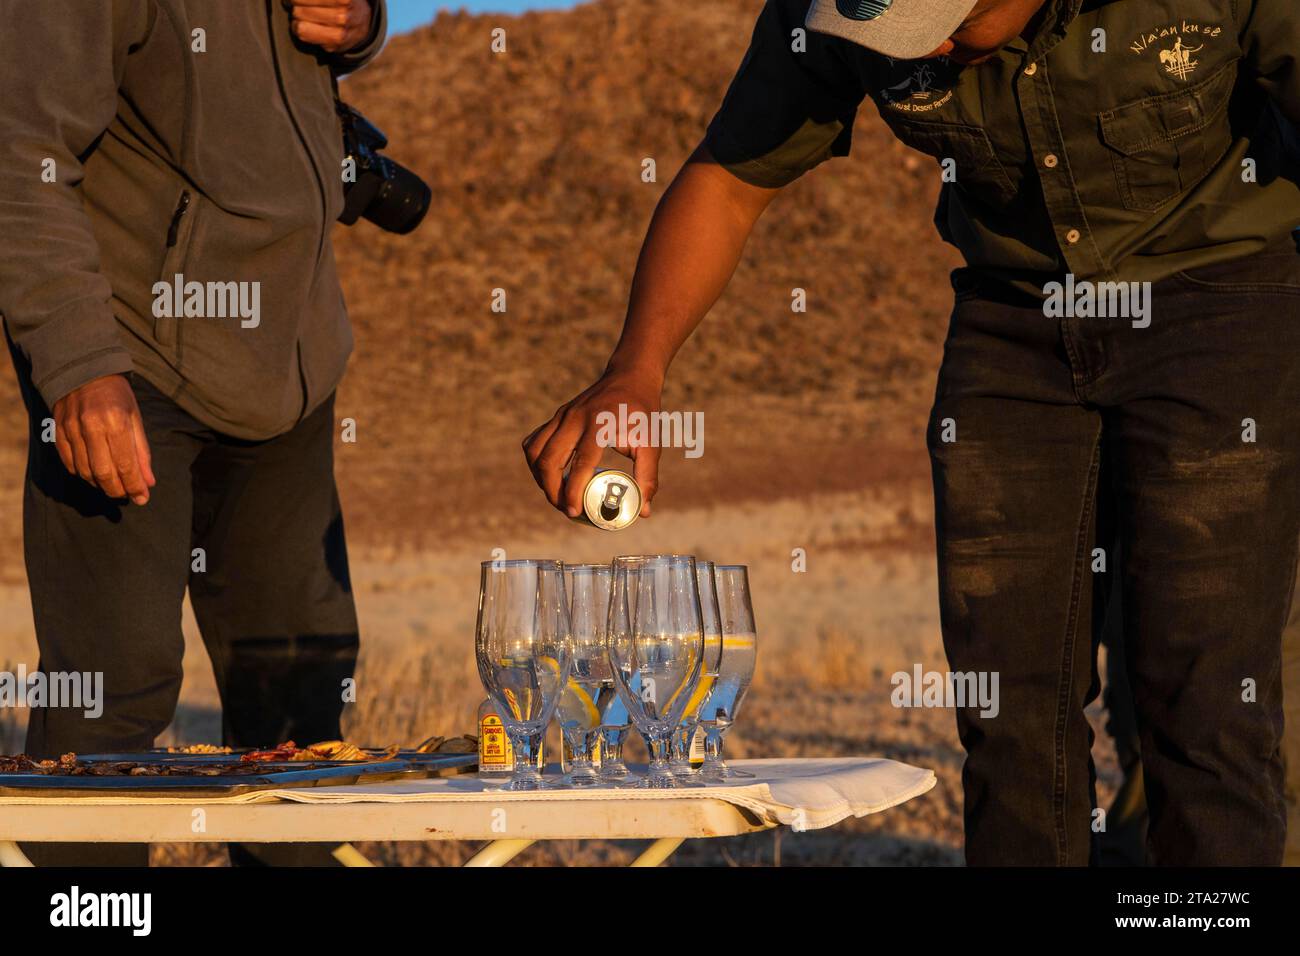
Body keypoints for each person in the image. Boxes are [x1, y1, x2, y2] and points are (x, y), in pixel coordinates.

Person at [524, 0, 1300, 865]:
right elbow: (731, 178)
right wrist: (636, 371)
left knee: (1203, 708)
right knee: (1007, 714)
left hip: (1218, 307)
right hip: (1013, 327)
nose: (923, 47)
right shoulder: (833, 7)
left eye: (944, 20)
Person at [0, 0, 386, 866]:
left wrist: (362, 23)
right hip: (128, 363)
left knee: (298, 697)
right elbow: (19, 146)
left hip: (287, 363)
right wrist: (76, 363)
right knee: (109, 706)